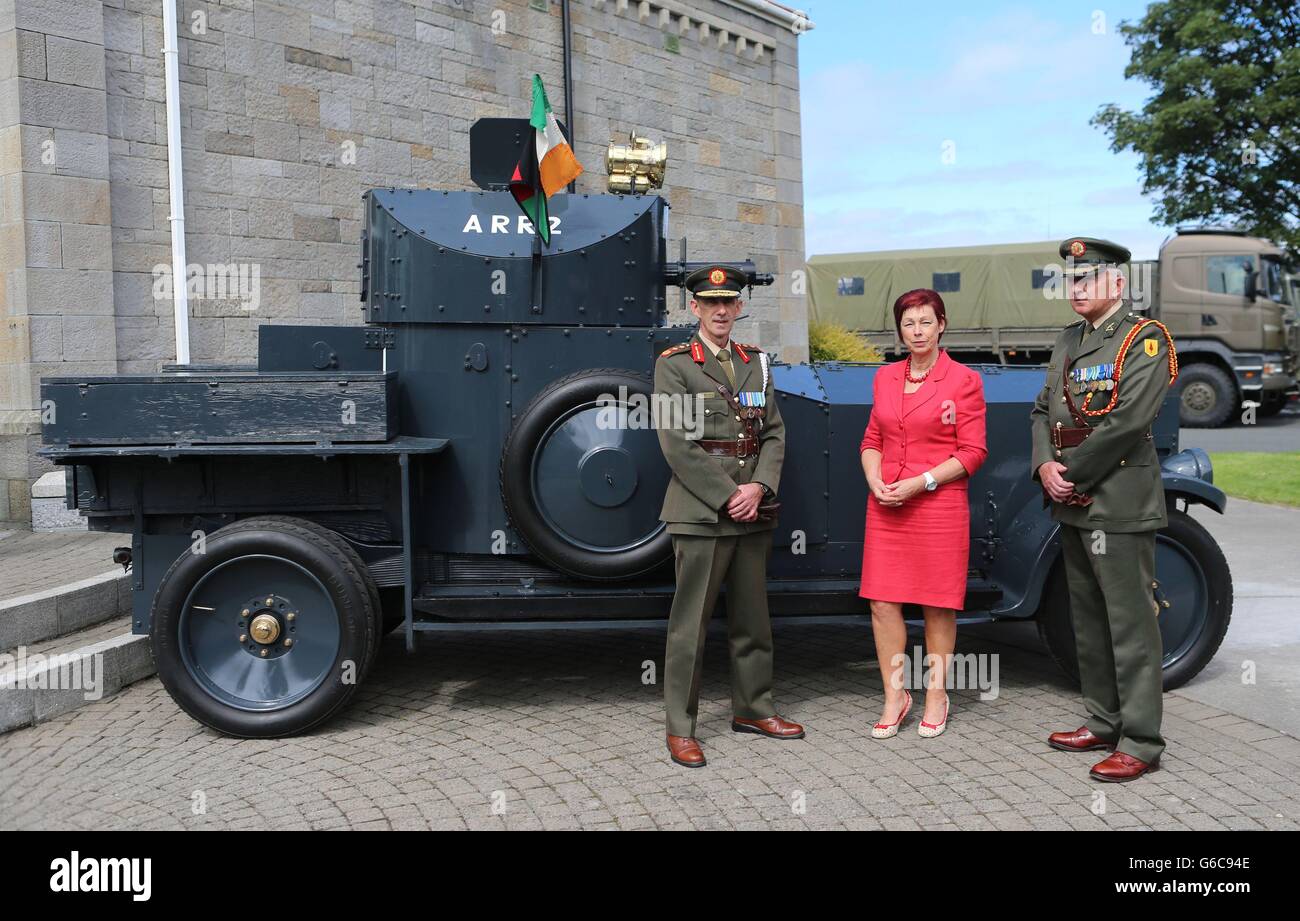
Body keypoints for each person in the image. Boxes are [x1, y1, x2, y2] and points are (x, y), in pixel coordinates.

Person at [1031, 237, 1179, 783]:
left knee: (1131, 623)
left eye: (1088, 279)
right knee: (1088, 619)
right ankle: (1102, 719)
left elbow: (1129, 421)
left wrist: (1069, 474)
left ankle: (1141, 740)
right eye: (1071, 280)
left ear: (1118, 284)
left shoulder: (1143, 340)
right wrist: (1044, 465)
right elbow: (1043, 409)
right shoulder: (1069, 339)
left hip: (1116, 501)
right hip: (1072, 502)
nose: (1077, 288)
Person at [653, 264, 803, 768]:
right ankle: (680, 728)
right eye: (710, 302)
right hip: (701, 512)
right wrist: (728, 495)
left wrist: (759, 486)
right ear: (694, 307)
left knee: (752, 620)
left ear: (739, 307)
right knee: (689, 625)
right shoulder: (675, 363)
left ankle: (753, 708)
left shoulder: (756, 362)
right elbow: (676, 443)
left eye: (729, 302)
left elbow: (774, 433)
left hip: (754, 510)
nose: (720, 310)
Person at [859, 289, 987, 739]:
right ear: (900, 329)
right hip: (888, 503)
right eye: (908, 323)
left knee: (937, 604)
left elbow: (973, 452)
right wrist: (875, 480)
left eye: (925, 322)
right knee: (882, 602)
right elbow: (872, 439)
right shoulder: (885, 378)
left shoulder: (963, 380)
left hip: (937, 504)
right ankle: (895, 695)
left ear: (942, 325)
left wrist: (922, 482)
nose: (917, 331)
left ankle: (936, 693)